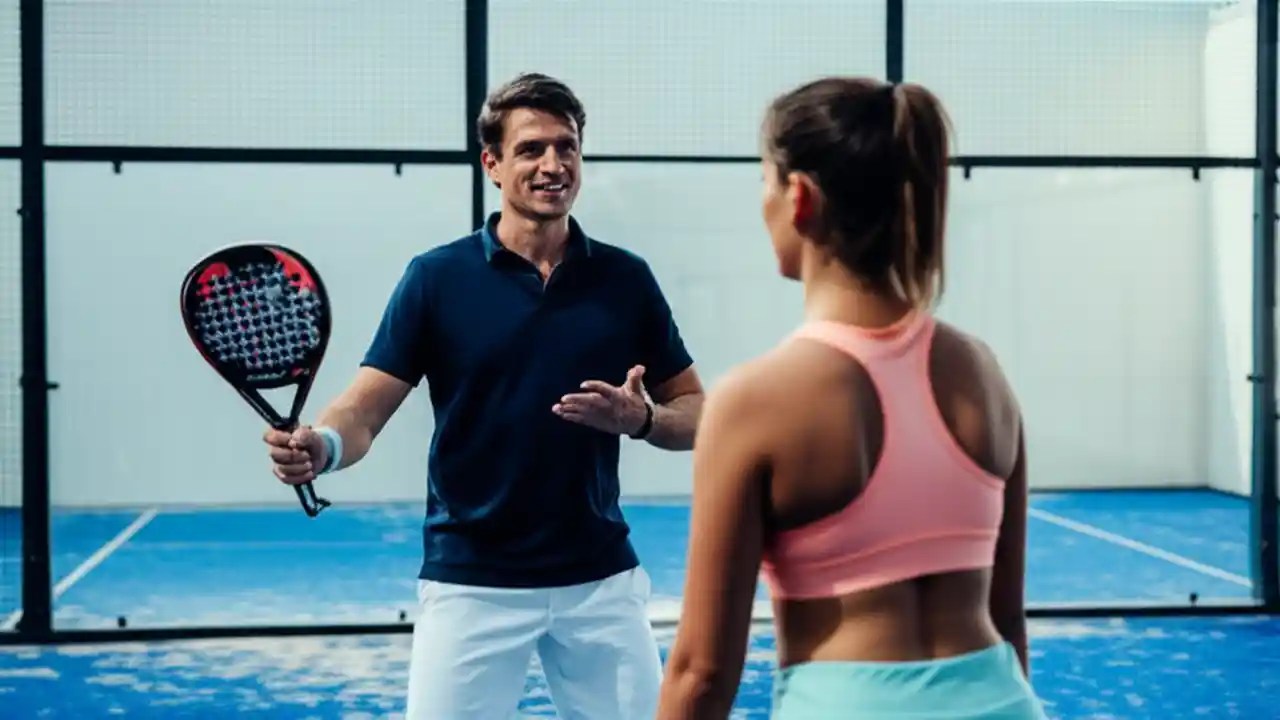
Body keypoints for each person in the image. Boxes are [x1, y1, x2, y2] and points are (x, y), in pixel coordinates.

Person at [263, 72, 705, 720]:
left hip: (600, 580)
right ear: (492, 165)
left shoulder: (626, 279)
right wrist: (322, 446)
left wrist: (642, 419)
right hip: (471, 582)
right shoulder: (436, 279)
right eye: (531, 149)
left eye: (567, 147)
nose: (553, 164)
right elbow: (363, 409)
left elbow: (698, 414)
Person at [656, 77, 1048, 719]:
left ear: (799, 198)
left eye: (764, 181)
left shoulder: (754, 401)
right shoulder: (983, 374)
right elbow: (1007, 624)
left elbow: (701, 673)